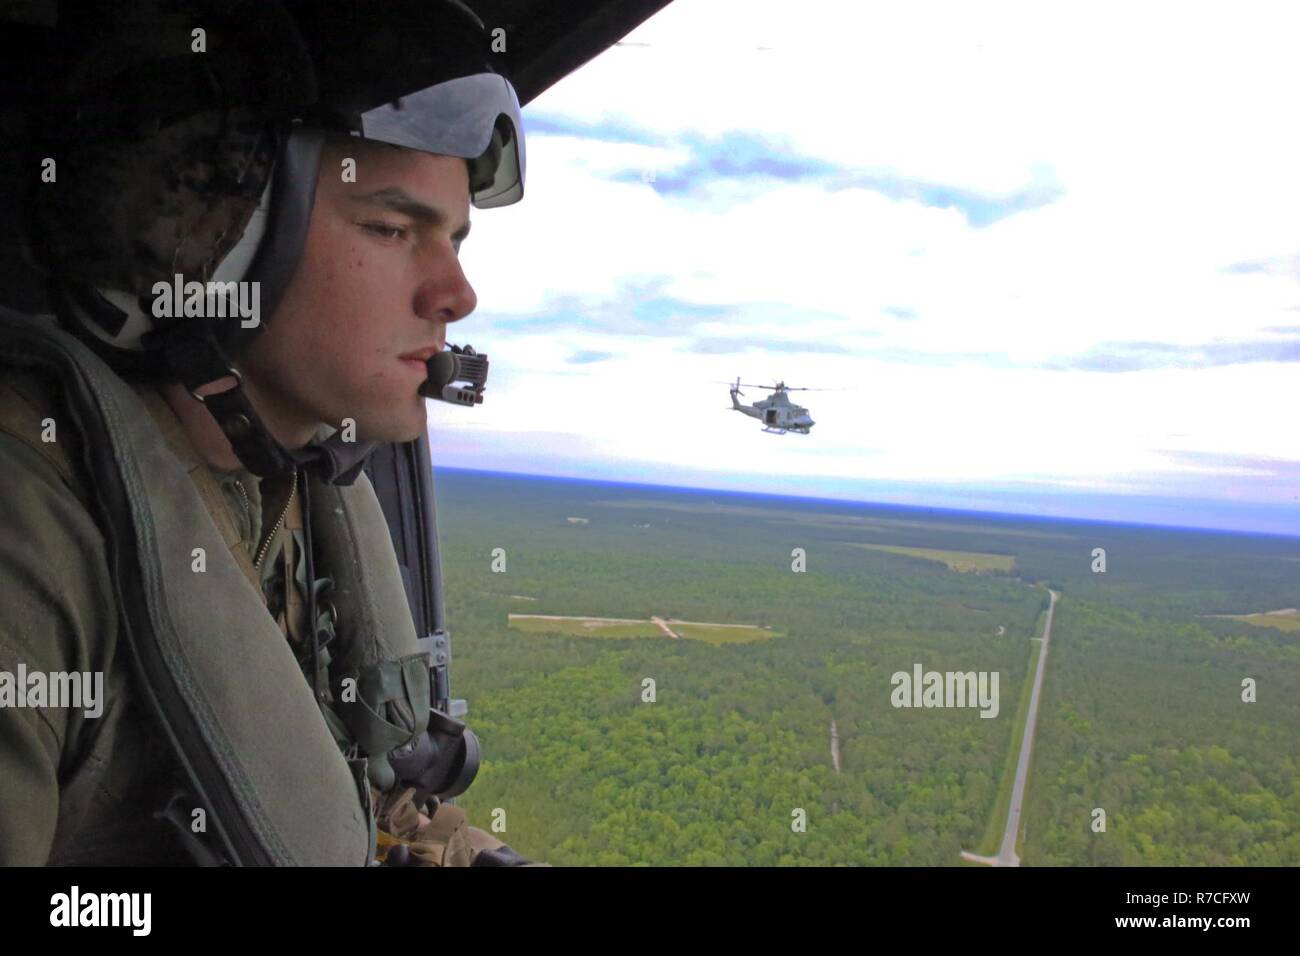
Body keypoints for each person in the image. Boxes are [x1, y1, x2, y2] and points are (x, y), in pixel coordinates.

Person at [0, 0, 536, 866]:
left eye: (456, 241)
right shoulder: (31, 539)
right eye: (392, 229)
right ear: (210, 244)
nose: (456, 294)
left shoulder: (284, 494)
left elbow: (372, 811)